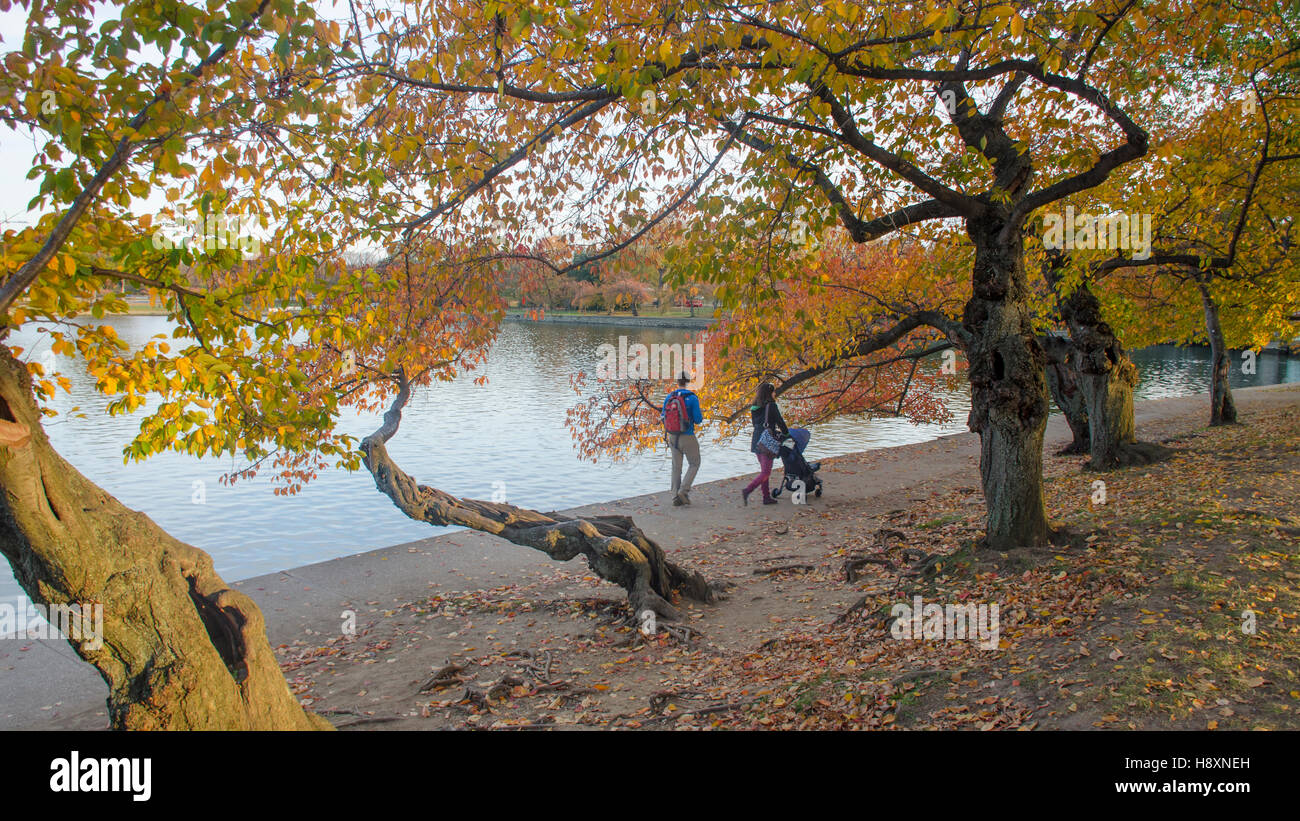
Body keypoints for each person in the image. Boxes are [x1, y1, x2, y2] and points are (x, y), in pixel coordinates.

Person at [742, 381, 789, 506]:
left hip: (757, 440)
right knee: (766, 472)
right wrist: (786, 434)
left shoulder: (754, 407)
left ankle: (766, 497)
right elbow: (780, 422)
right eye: (773, 392)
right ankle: (748, 490)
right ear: (770, 393)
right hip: (767, 441)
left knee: (764, 469)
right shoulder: (771, 406)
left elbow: (755, 424)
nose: (774, 394)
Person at [661, 372, 703, 506]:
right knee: (695, 463)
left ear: (677, 382)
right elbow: (698, 420)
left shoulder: (669, 397)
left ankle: (675, 496)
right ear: (688, 382)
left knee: (676, 466)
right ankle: (683, 491)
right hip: (688, 435)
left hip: (672, 435)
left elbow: (663, 416)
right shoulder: (692, 398)